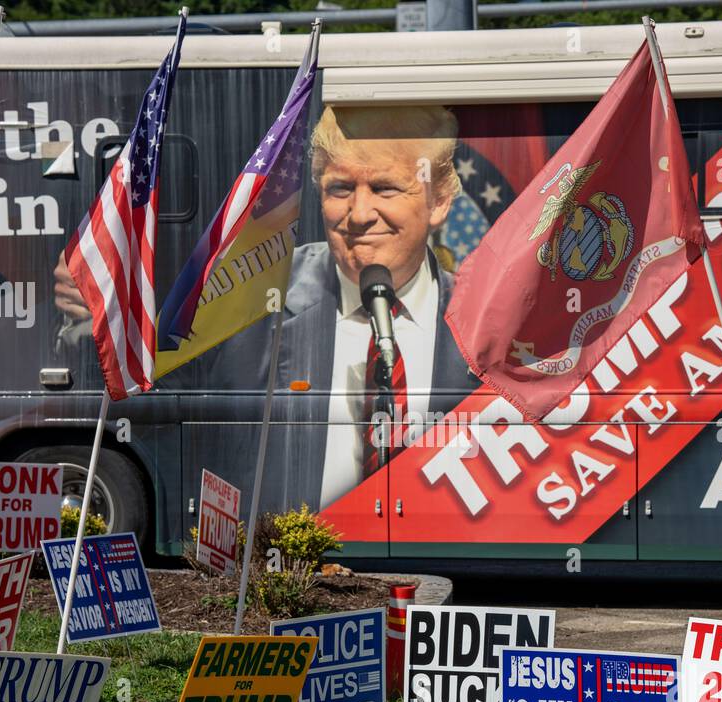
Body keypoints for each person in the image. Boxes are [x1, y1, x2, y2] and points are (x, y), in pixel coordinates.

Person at [53, 103, 477, 512]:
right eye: (340, 189)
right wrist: (97, 318)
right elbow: (144, 380)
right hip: (295, 568)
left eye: (384, 188)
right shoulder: (252, 299)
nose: (359, 213)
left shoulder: (483, 323)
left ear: (439, 201)